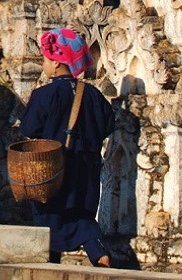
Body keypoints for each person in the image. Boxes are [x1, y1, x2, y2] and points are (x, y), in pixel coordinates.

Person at [18, 28, 115, 266]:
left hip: (52, 167)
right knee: (81, 214)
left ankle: (50, 265)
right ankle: (99, 253)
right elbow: (108, 126)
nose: (44, 64)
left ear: (56, 62)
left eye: (45, 59)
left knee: (48, 215)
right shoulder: (93, 94)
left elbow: (29, 129)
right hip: (87, 167)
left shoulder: (45, 94)